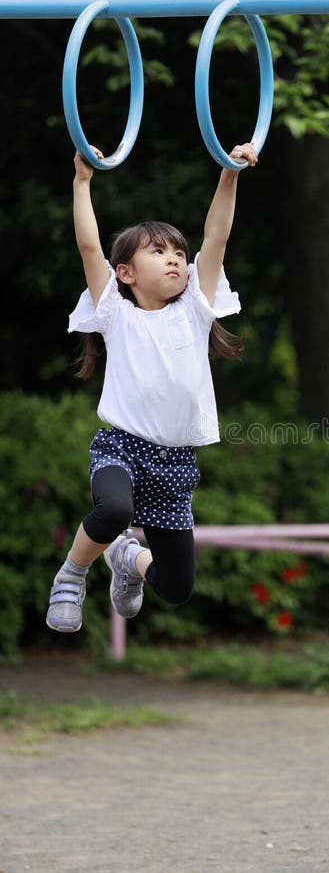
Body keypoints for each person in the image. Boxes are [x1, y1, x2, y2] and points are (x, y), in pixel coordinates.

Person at [46, 142, 257, 633]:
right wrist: (82, 182)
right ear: (126, 273)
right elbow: (89, 247)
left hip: (176, 463)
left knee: (175, 587)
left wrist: (230, 174)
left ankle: (125, 558)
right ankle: (72, 574)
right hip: (122, 448)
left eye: (179, 253)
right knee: (115, 508)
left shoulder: (195, 308)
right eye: (158, 252)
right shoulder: (115, 314)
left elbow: (217, 235)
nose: (174, 260)